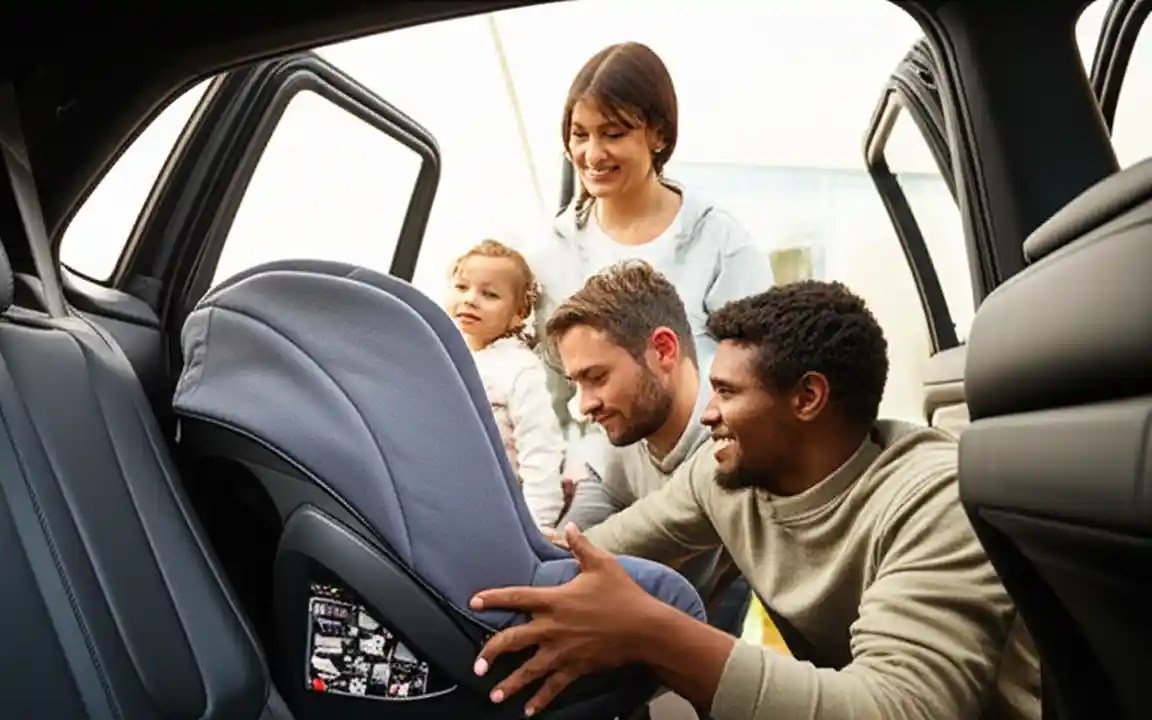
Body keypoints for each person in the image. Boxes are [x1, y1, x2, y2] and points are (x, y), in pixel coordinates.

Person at [468, 280, 1040, 720]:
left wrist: (652, 631)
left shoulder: (935, 500)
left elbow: (895, 708)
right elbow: (583, 554)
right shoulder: (724, 481)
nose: (709, 413)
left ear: (808, 397)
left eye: (727, 393)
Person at [522, 38, 772, 641]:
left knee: (686, 644)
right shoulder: (552, 254)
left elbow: (764, 372)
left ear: (657, 134)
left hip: (710, 480)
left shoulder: (717, 241)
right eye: (578, 134)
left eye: (613, 133)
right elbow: (547, 391)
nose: (591, 153)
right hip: (605, 472)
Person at [444, 239, 567, 531]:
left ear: (518, 313)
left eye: (490, 294)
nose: (471, 299)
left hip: (493, 514)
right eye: (462, 287)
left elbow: (541, 453)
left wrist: (535, 530)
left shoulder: (520, 369)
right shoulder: (439, 352)